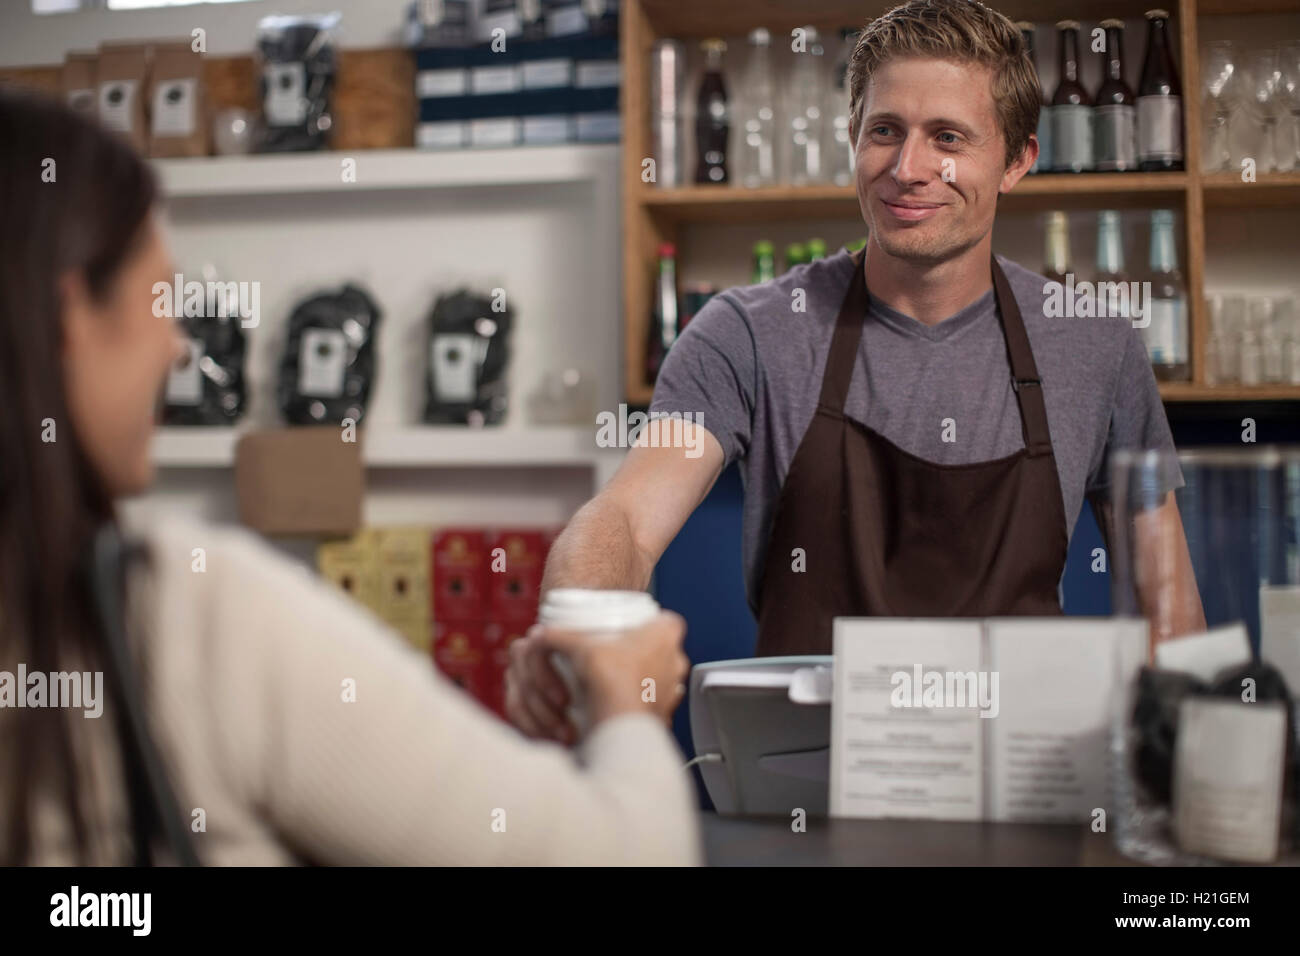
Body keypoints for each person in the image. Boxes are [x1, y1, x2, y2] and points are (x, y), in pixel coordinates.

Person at [0, 89, 699, 866]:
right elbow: (623, 855)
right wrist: (627, 706)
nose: (175, 350)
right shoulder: (185, 615)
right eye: (158, 300)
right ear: (71, 318)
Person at [507, 0, 1205, 743]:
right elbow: (625, 521)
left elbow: (1170, 615)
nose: (907, 170)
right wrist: (574, 628)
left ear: (1017, 161)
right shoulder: (747, 334)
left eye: (948, 138)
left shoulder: (1095, 344)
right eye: (884, 132)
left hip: (1028, 787)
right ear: (853, 138)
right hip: (804, 792)